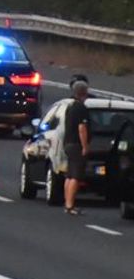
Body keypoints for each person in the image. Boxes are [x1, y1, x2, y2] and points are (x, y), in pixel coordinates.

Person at [63, 75, 91, 215]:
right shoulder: (81, 108)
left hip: (68, 143)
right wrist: (85, 146)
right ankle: (70, 205)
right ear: (84, 92)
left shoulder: (71, 106)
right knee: (76, 176)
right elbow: (82, 128)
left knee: (69, 175)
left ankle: (67, 203)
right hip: (76, 145)